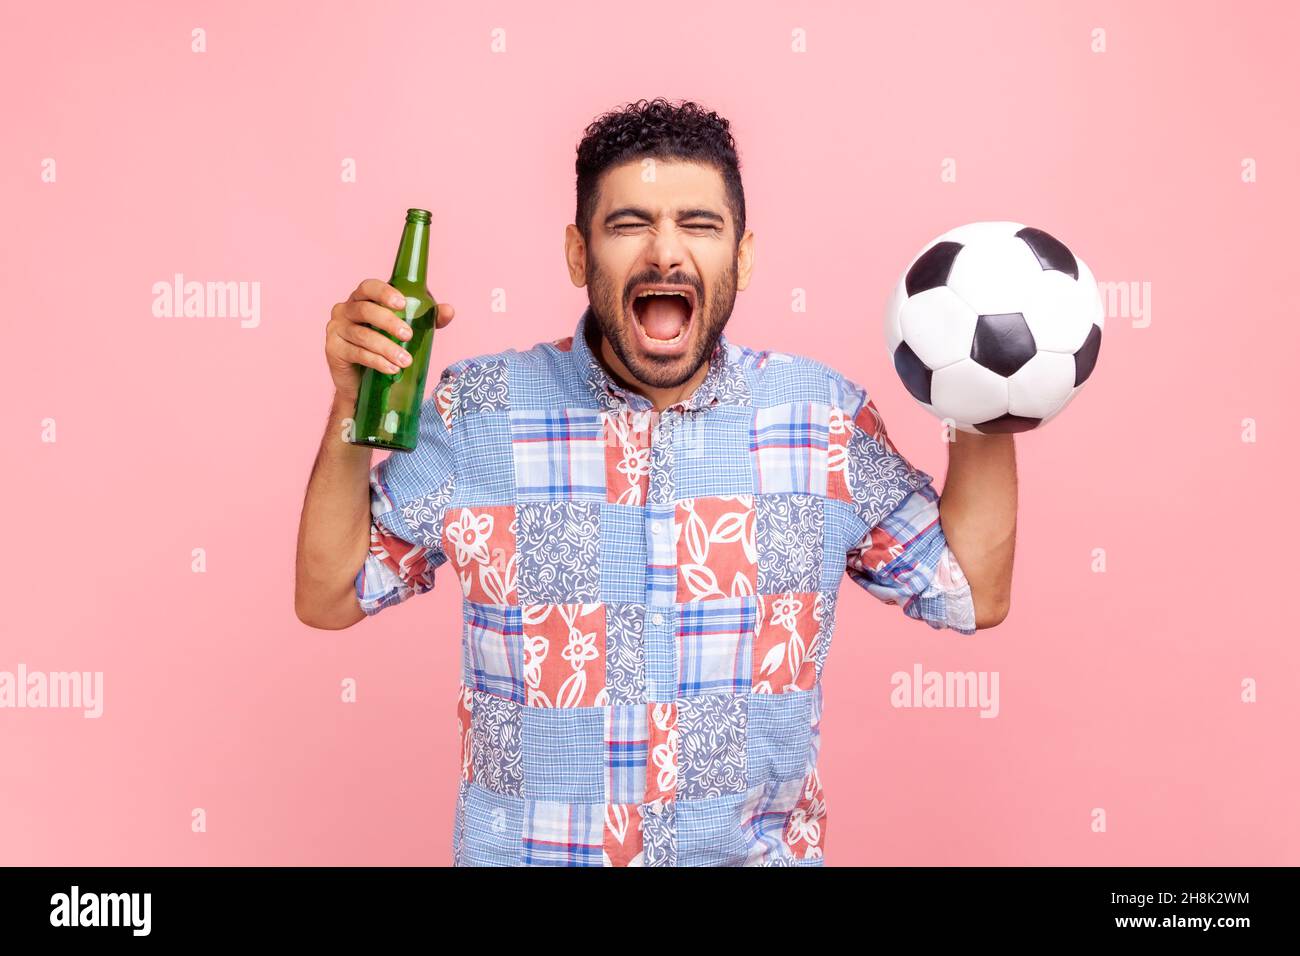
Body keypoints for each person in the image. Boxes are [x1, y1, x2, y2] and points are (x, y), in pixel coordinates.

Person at [294, 97, 1017, 866]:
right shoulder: (480, 412)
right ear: (579, 255)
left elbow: (972, 587)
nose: (666, 254)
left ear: (741, 256)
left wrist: (990, 398)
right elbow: (329, 593)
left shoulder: (823, 418)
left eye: (699, 225)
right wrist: (350, 404)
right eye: (629, 223)